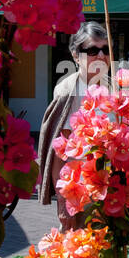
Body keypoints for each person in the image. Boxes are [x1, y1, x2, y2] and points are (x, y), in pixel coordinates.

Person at [37, 21, 109, 228]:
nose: (101, 56)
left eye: (105, 49)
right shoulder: (68, 91)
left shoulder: (113, 88)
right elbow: (59, 151)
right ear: (76, 55)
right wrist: (63, 201)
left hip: (109, 186)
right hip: (79, 190)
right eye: (93, 50)